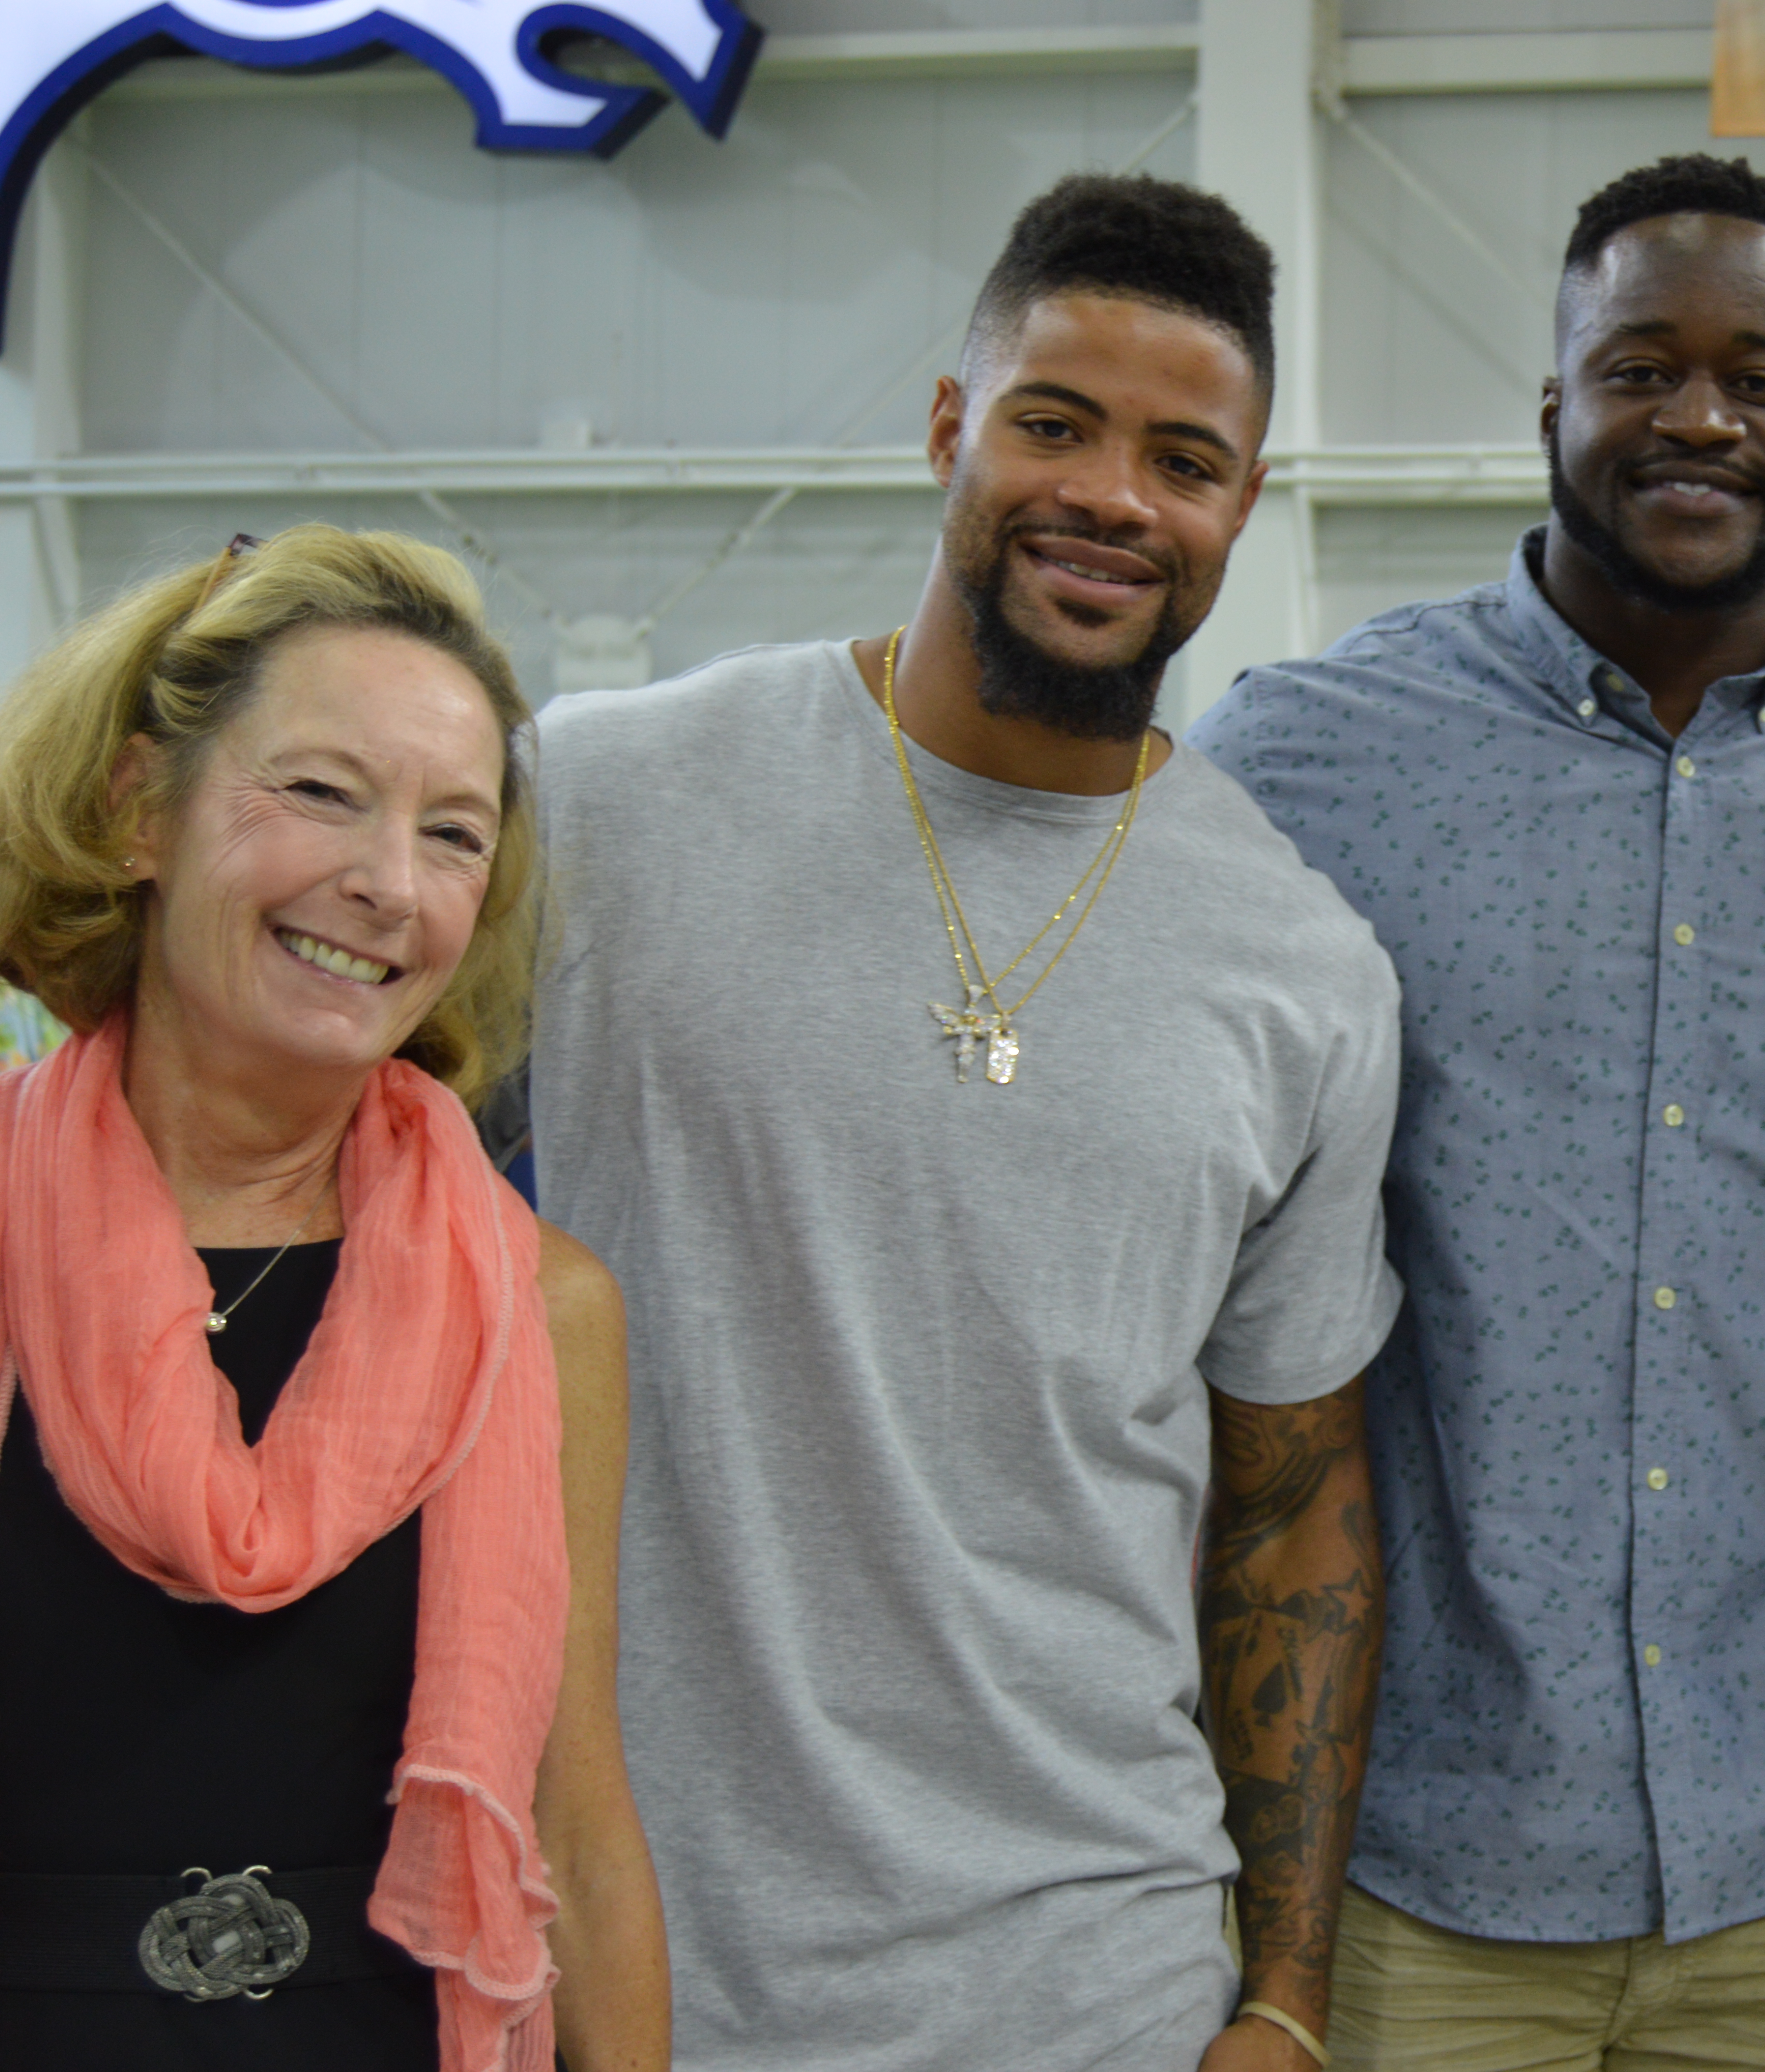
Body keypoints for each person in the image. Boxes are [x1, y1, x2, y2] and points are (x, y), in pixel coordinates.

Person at [527, 175, 1400, 2072]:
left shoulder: (1307, 968)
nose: (1111, 496)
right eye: (1053, 423)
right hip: (640, 1964)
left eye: (1184, 459)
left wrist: (1290, 1996)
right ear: (949, 427)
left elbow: (1293, 1507)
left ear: (1243, 505)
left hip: (1099, 1987)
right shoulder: (594, 807)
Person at [1192, 153, 1765, 2070]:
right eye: (1641, 365)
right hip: (1417, 1860)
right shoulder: (1308, 754)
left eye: (1760, 377)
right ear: (1554, 403)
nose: (1700, 418)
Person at [0, 527, 666, 2069]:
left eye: (453, 834)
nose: (385, 885)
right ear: (136, 812)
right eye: (319, 793)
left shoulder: (544, 1306)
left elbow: (578, 1822)